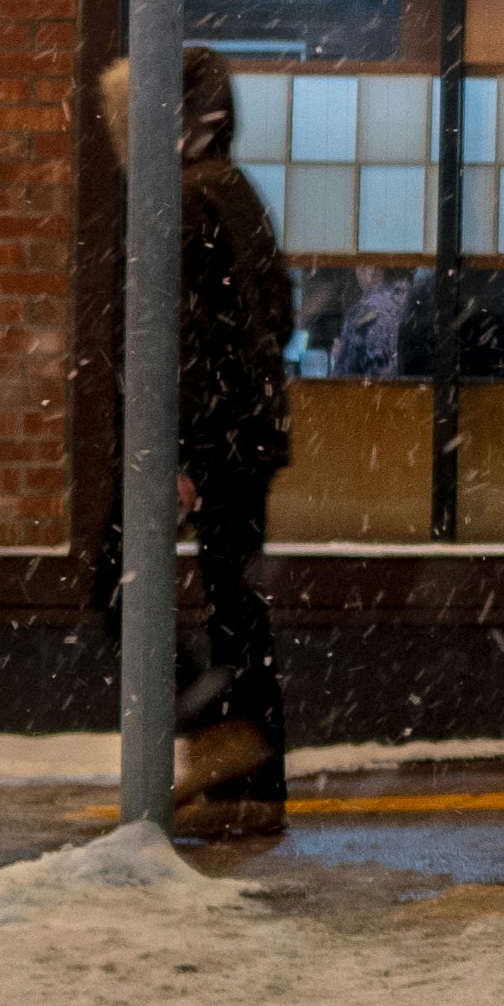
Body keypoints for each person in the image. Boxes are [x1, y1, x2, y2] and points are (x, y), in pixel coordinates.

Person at [105, 49, 300, 842]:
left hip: (202, 436)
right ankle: (249, 777)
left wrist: (178, 452)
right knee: (234, 597)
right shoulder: (236, 193)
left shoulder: (182, 201)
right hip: (245, 430)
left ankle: (224, 739)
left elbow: (176, 336)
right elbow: (277, 319)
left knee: (115, 579)